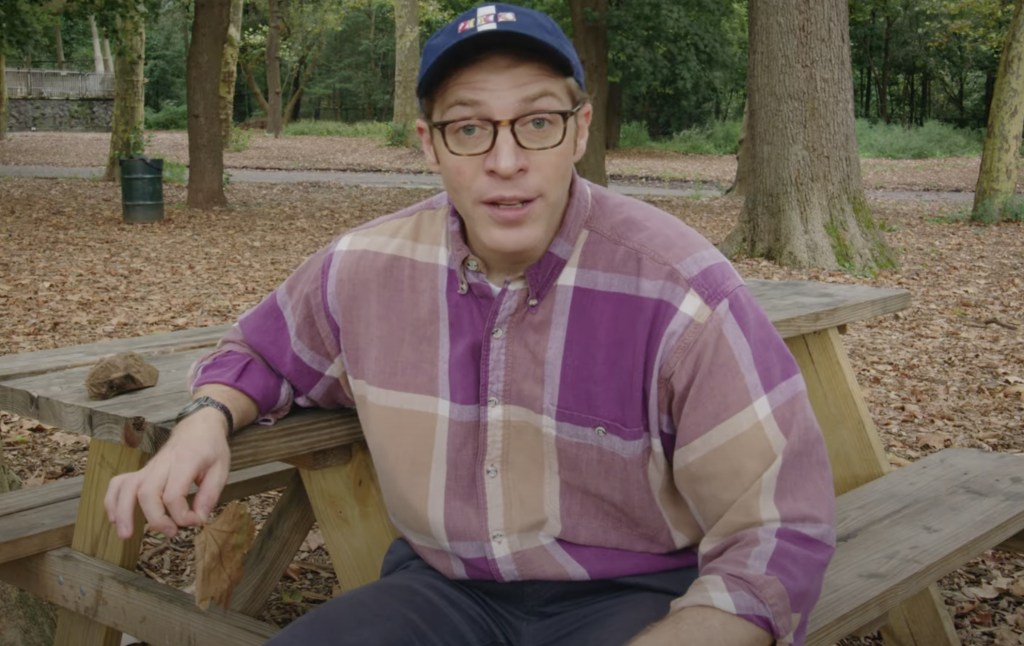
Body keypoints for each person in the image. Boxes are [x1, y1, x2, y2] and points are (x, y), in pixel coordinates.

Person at [105, 4, 835, 644]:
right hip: (441, 593)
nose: (507, 161)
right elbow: (263, 352)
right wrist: (206, 417)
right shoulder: (364, 267)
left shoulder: (680, 290)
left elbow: (779, 530)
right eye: (470, 129)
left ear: (579, 130)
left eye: (537, 123)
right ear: (428, 144)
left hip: (635, 598)